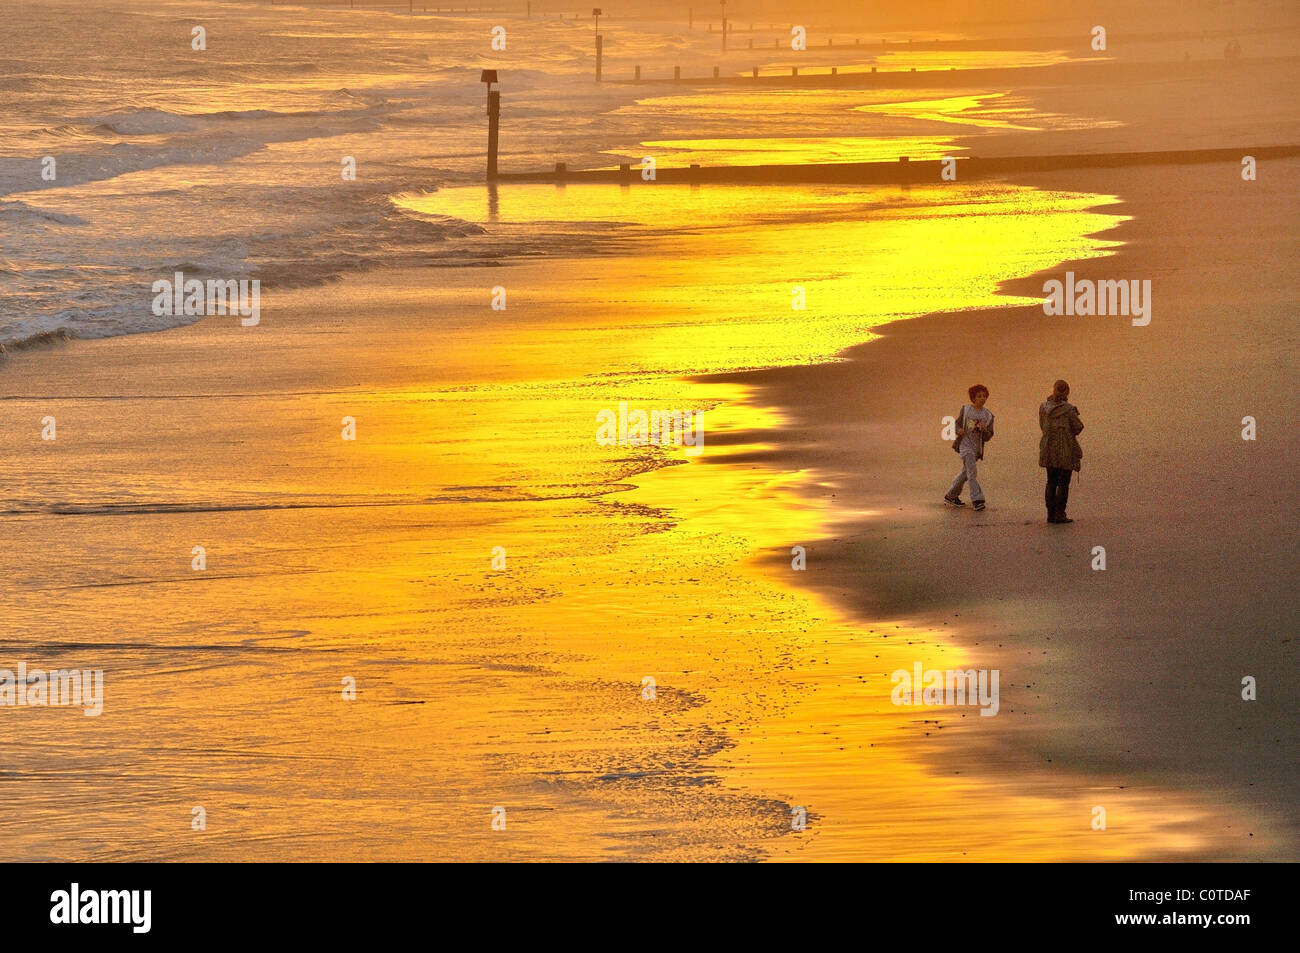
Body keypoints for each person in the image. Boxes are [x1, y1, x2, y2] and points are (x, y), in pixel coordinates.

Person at [944, 384, 995, 512]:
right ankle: (977, 500)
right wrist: (958, 430)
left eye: (984, 396)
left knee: (965, 473)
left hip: (976, 449)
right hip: (965, 447)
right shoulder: (966, 410)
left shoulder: (988, 416)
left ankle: (951, 495)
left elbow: (989, 436)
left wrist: (985, 430)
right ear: (973, 398)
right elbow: (956, 424)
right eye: (979, 396)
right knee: (972, 473)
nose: (982, 398)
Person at [1039, 379, 1084, 523]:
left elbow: (1042, 426)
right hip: (1065, 449)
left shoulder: (1043, 407)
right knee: (1063, 483)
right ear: (1067, 392)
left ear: (1053, 390)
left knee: (1051, 481)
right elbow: (1077, 428)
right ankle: (1060, 513)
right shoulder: (1069, 409)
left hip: (1048, 448)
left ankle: (1050, 514)